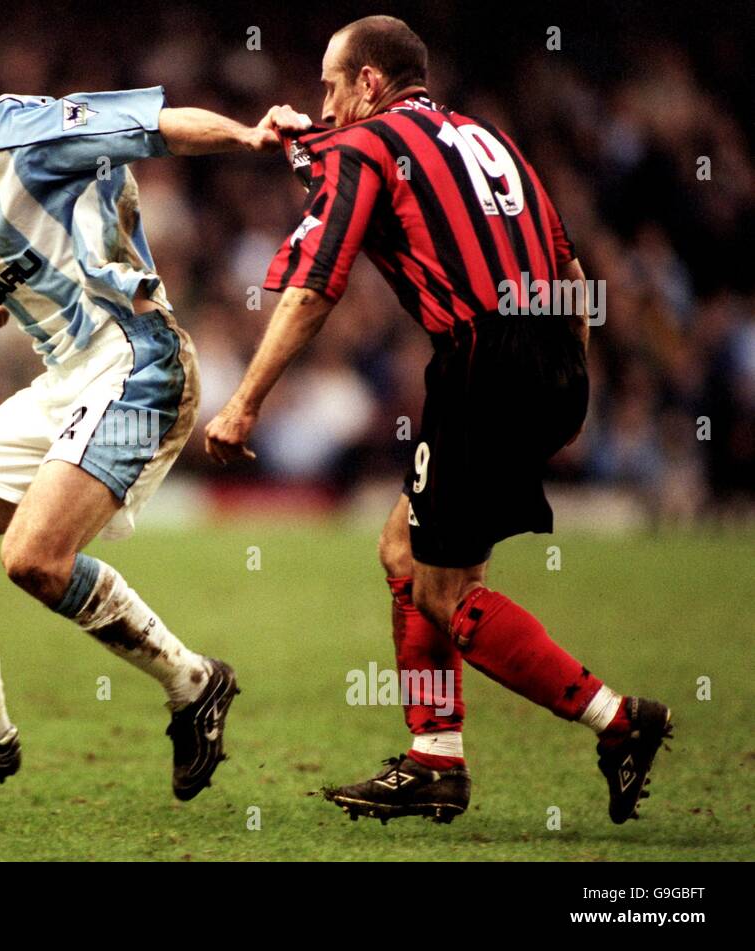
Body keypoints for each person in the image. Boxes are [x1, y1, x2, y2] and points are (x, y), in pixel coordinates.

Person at [205, 16, 671, 823]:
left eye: (330, 84)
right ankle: (435, 759)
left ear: (369, 84)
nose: (324, 100)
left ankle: (619, 721)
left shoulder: (367, 145)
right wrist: (567, 382)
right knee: (405, 550)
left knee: (445, 592)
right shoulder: (488, 140)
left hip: (482, 364)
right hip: (555, 350)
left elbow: (316, 284)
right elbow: (569, 268)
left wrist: (244, 402)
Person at [0, 53, 286, 800]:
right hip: (70, 377)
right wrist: (23, 297)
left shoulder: (18, 131)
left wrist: (246, 137)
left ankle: (195, 681)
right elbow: (62, 239)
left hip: (137, 366)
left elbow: (147, 127)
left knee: (36, 559)